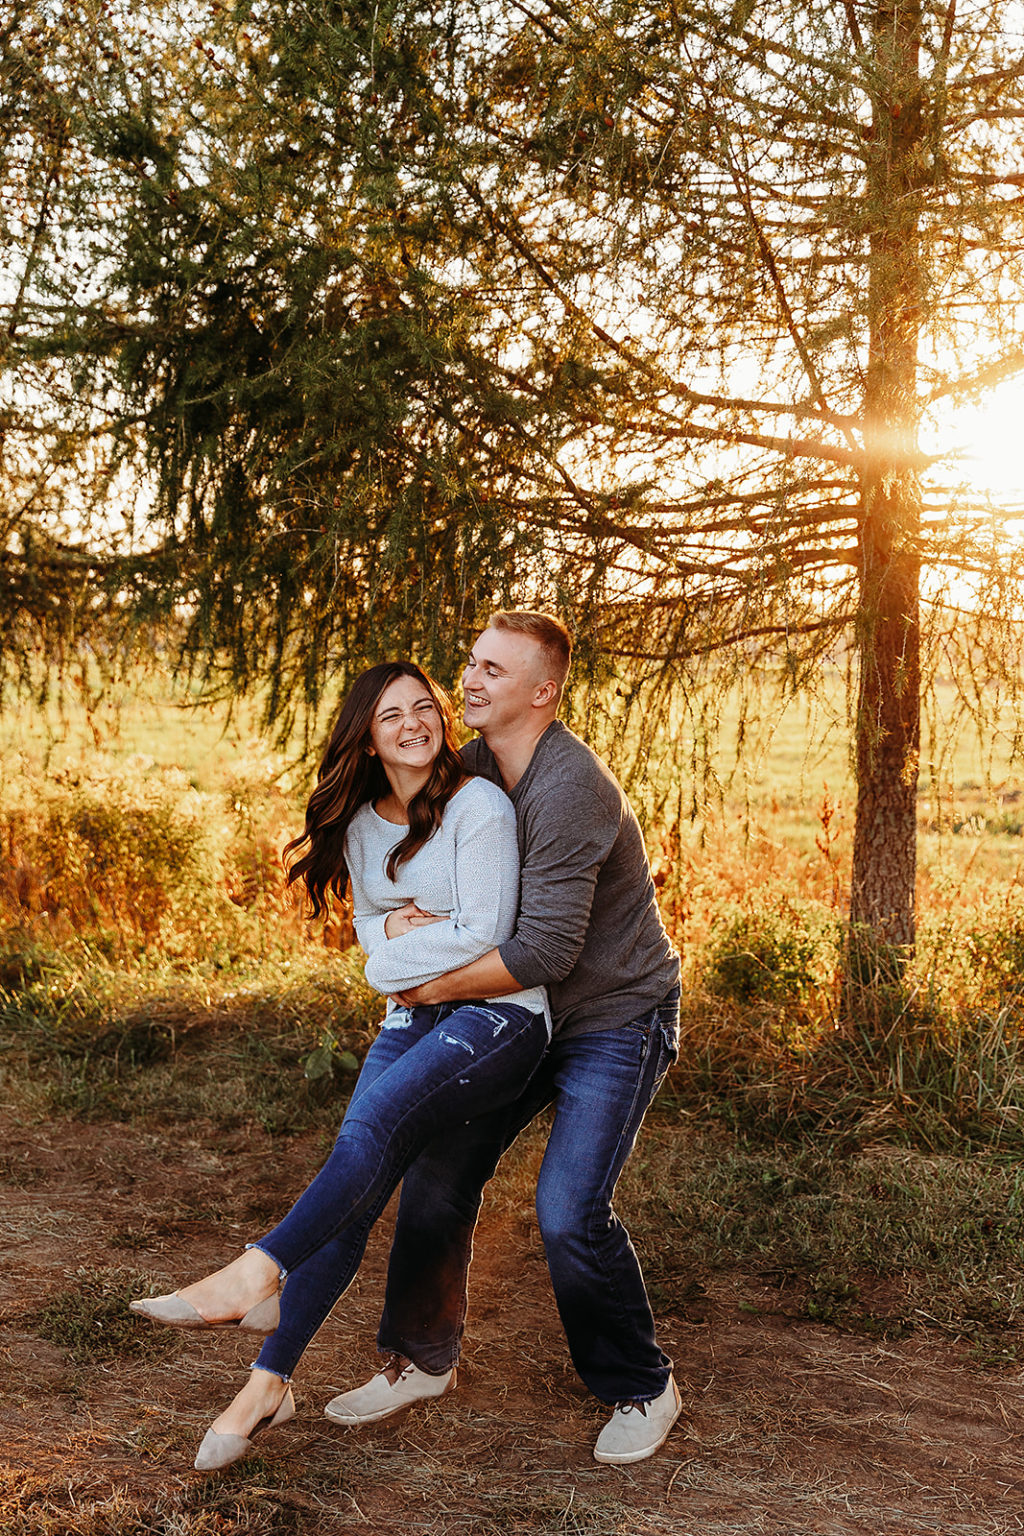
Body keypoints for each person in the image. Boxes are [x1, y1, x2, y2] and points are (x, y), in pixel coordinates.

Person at [129, 661, 550, 1471]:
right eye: (392, 715)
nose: (415, 724)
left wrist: (400, 946)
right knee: (354, 1180)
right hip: (410, 1014)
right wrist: (392, 949)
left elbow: (490, 933)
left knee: (374, 1134)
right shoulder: (363, 825)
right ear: (367, 734)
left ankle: (257, 1271)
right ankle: (267, 1388)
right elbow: (367, 935)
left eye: (424, 708)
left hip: (499, 1018)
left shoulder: (480, 807)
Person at [325, 612, 682, 1465]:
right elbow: (425, 874)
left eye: (492, 669)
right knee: (437, 1174)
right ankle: (420, 1360)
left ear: (541, 692)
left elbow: (543, 949)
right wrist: (403, 920)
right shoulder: (472, 767)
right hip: (520, 1012)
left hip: (611, 1015)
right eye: (472, 664)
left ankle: (641, 1385)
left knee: (567, 1210)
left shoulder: (571, 788)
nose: (469, 682)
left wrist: (421, 978)